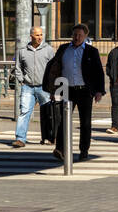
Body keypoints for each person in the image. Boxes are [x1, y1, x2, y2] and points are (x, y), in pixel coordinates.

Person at [43, 22, 105, 162]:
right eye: (75, 35)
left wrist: (99, 91)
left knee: (85, 123)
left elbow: (98, 72)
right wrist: (54, 90)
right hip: (66, 90)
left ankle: (84, 150)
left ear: (85, 36)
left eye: (80, 35)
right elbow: (55, 69)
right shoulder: (64, 49)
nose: (77, 37)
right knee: (62, 121)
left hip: (84, 91)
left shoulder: (91, 51)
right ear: (72, 35)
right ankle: (60, 149)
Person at [12, 25, 55, 148]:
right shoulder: (23, 51)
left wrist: (52, 85)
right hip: (28, 87)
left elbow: (54, 68)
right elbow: (18, 67)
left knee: (48, 113)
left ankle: (48, 137)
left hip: (44, 87)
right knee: (24, 112)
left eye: (41, 34)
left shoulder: (48, 50)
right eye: (37, 35)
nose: (40, 37)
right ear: (31, 36)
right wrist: (21, 80)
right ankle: (20, 139)